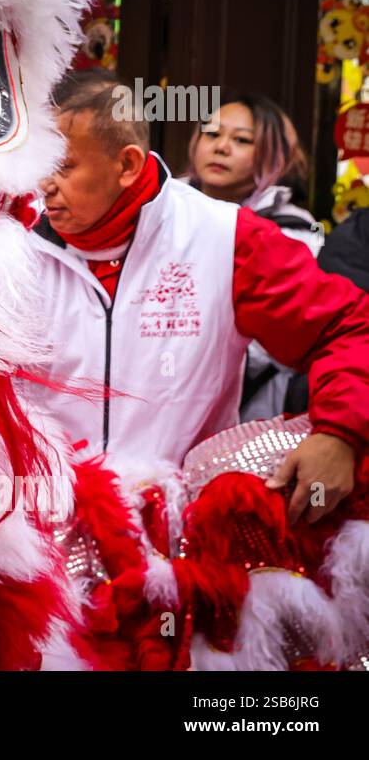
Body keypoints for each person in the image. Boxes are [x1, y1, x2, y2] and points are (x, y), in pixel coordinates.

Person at [31, 69, 369, 524]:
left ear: (128, 165)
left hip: (183, 535)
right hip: (40, 529)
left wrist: (340, 434)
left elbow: (347, 328)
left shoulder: (227, 238)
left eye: (63, 166)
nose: (42, 183)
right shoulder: (10, 237)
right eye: (35, 162)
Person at [184, 91, 323, 419]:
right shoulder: (157, 211)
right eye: (212, 134)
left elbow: (282, 334)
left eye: (242, 140)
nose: (221, 147)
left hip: (251, 404)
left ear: (274, 154)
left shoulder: (294, 233)